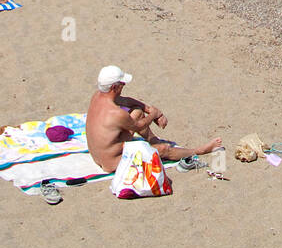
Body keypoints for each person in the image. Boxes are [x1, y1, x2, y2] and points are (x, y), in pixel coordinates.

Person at [85, 66, 222, 173]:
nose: (124, 86)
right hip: (112, 161)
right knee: (163, 149)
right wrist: (154, 114)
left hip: (98, 154)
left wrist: (148, 110)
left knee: (137, 112)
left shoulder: (97, 96)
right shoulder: (116, 114)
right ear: (114, 87)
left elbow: (126, 101)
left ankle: (153, 140)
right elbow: (138, 126)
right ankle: (199, 150)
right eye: (122, 83)